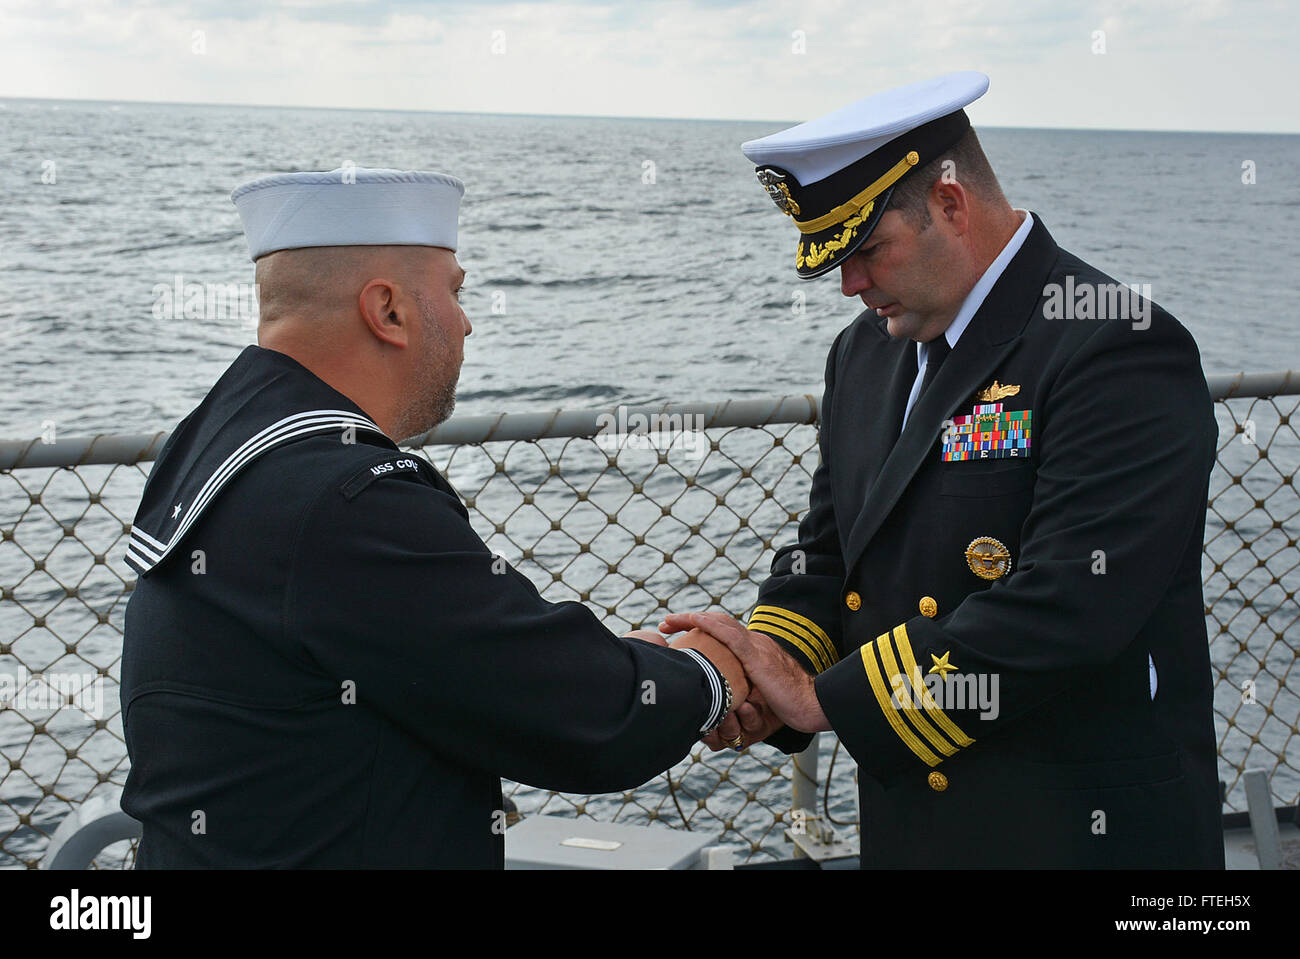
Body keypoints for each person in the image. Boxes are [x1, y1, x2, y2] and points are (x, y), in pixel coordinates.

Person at [663, 72, 1225, 868]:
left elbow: (1067, 610)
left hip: (1074, 835)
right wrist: (759, 666)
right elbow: (831, 556)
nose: (851, 285)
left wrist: (822, 699)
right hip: (916, 834)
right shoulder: (863, 355)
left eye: (867, 251)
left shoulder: (1115, 344)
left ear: (952, 206)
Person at [119, 168, 746, 868]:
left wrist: (643, 664)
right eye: (454, 291)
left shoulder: (221, 441)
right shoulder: (348, 498)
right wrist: (712, 669)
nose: (467, 319)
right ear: (387, 311)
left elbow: (446, 659)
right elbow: (585, 715)